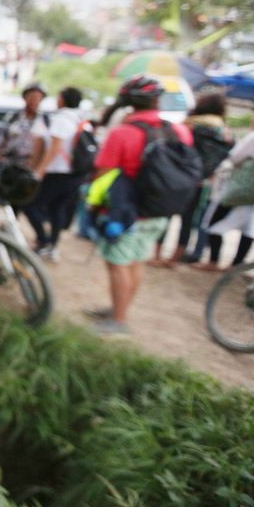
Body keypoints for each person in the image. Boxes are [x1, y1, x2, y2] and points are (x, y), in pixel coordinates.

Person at [86, 76, 193, 335]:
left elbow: (103, 174)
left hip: (127, 213)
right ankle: (119, 309)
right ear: (158, 100)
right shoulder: (179, 131)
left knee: (118, 264)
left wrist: (95, 204)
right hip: (160, 210)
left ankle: (119, 320)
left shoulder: (123, 133)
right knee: (136, 261)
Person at [202, 94, 254, 269]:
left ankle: (213, 261)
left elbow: (236, 157)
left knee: (214, 223)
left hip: (242, 189)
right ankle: (236, 265)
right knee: (251, 228)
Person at [164, 92, 232, 268]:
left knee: (167, 214)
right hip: (205, 182)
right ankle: (176, 258)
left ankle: (159, 254)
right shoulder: (225, 132)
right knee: (191, 220)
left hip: (180, 176)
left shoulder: (191, 126)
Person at [24, 86, 86, 261]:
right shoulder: (79, 119)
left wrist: (38, 172)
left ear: (62, 100)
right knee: (57, 209)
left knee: (30, 204)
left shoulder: (60, 119)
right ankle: (52, 245)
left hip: (56, 173)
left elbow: (54, 149)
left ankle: (44, 241)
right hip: (74, 174)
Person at [0, 82, 48, 167]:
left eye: (38, 97)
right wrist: (0, 157)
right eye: (31, 97)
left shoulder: (46, 120)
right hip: (11, 163)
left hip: (33, 165)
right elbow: (3, 139)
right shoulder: (13, 117)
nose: (34, 101)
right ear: (25, 98)